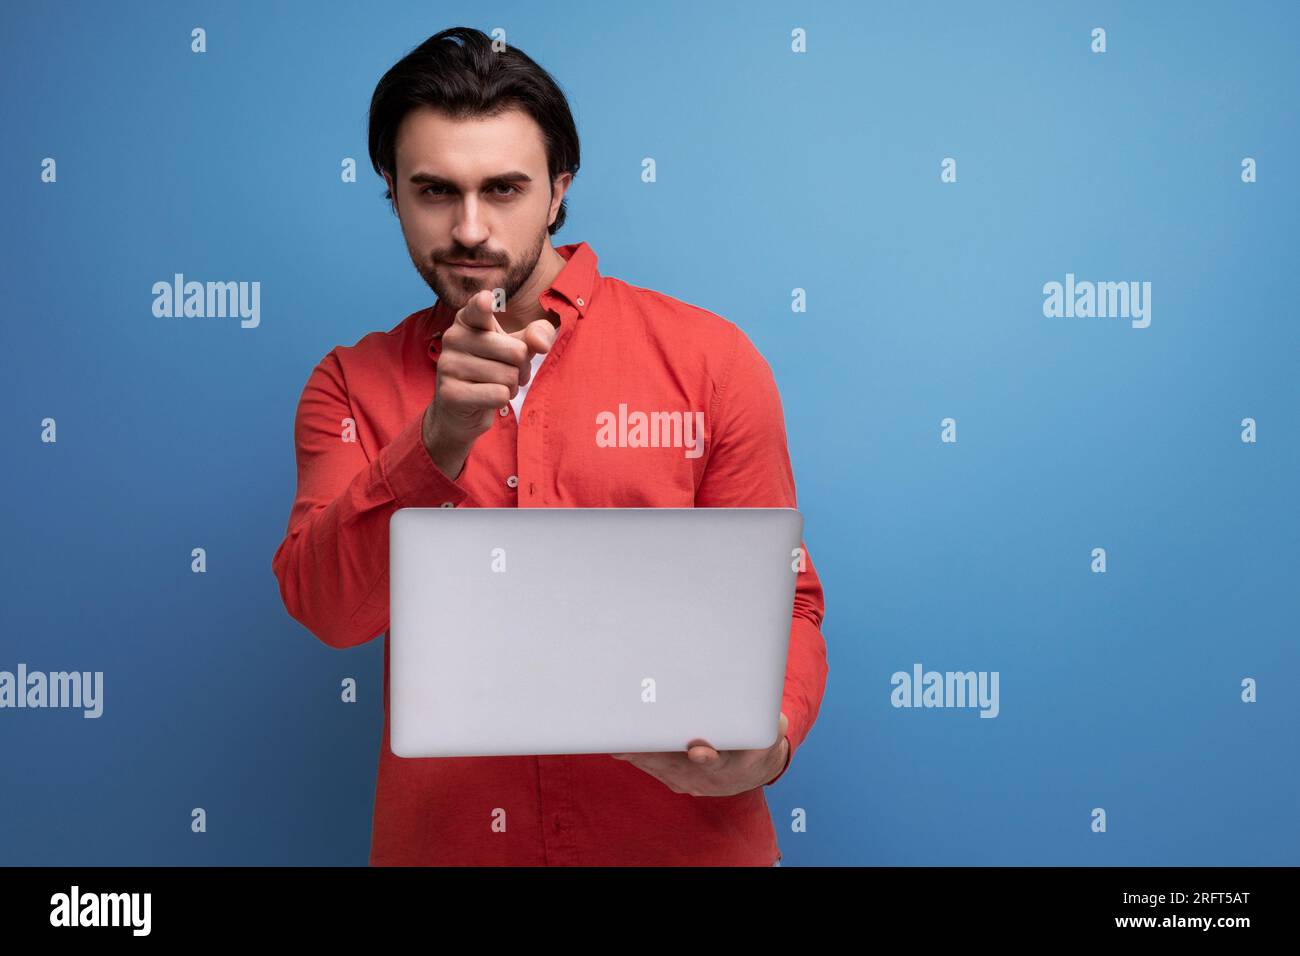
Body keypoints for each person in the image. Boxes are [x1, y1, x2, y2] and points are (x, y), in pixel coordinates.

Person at [271, 26, 827, 866]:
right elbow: (328, 609)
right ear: (390, 191)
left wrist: (773, 739)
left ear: (559, 189)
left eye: (503, 189)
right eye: (433, 192)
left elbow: (788, 602)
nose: (469, 228)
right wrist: (438, 442)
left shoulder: (711, 363)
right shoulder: (350, 385)